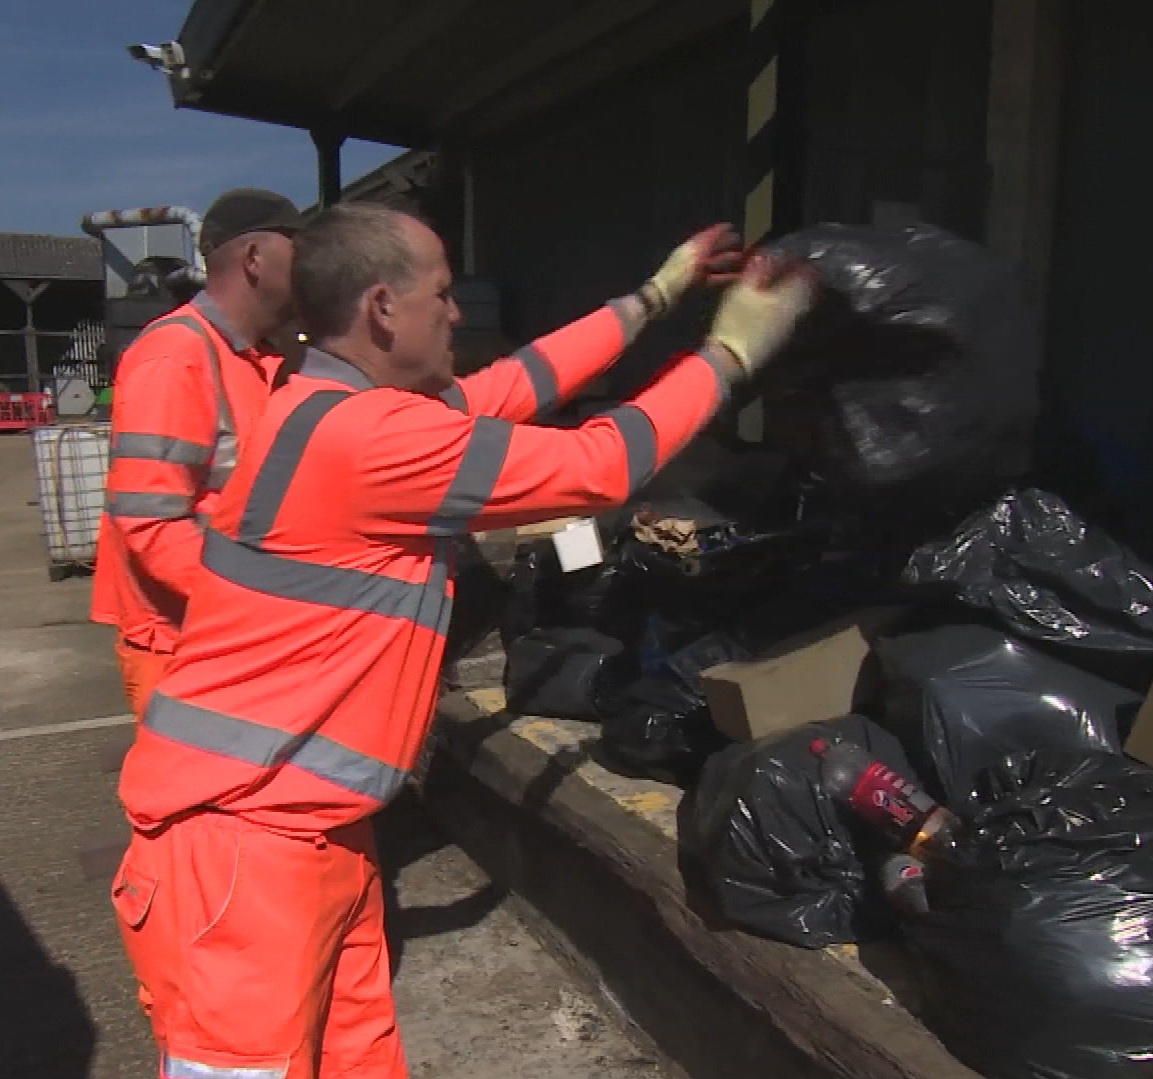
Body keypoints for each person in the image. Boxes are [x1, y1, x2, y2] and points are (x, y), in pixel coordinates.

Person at [110, 202, 815, 1079]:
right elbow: (597, 465)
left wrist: (653, 295)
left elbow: (515, 384)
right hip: (241, 855)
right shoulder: (370, 439)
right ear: (380, 309)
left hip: (309, 834)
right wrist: (731, 353)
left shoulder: (321, 409)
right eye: (440, 294)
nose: (456, 312)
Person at [90, 188, 303, 718]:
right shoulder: (175, 356)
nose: (312, 266)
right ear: (255, 258)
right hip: (182, 643)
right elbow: (150, 525)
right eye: (299, 247)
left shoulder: (259, 358)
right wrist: (267, 601)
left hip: (229, 632)